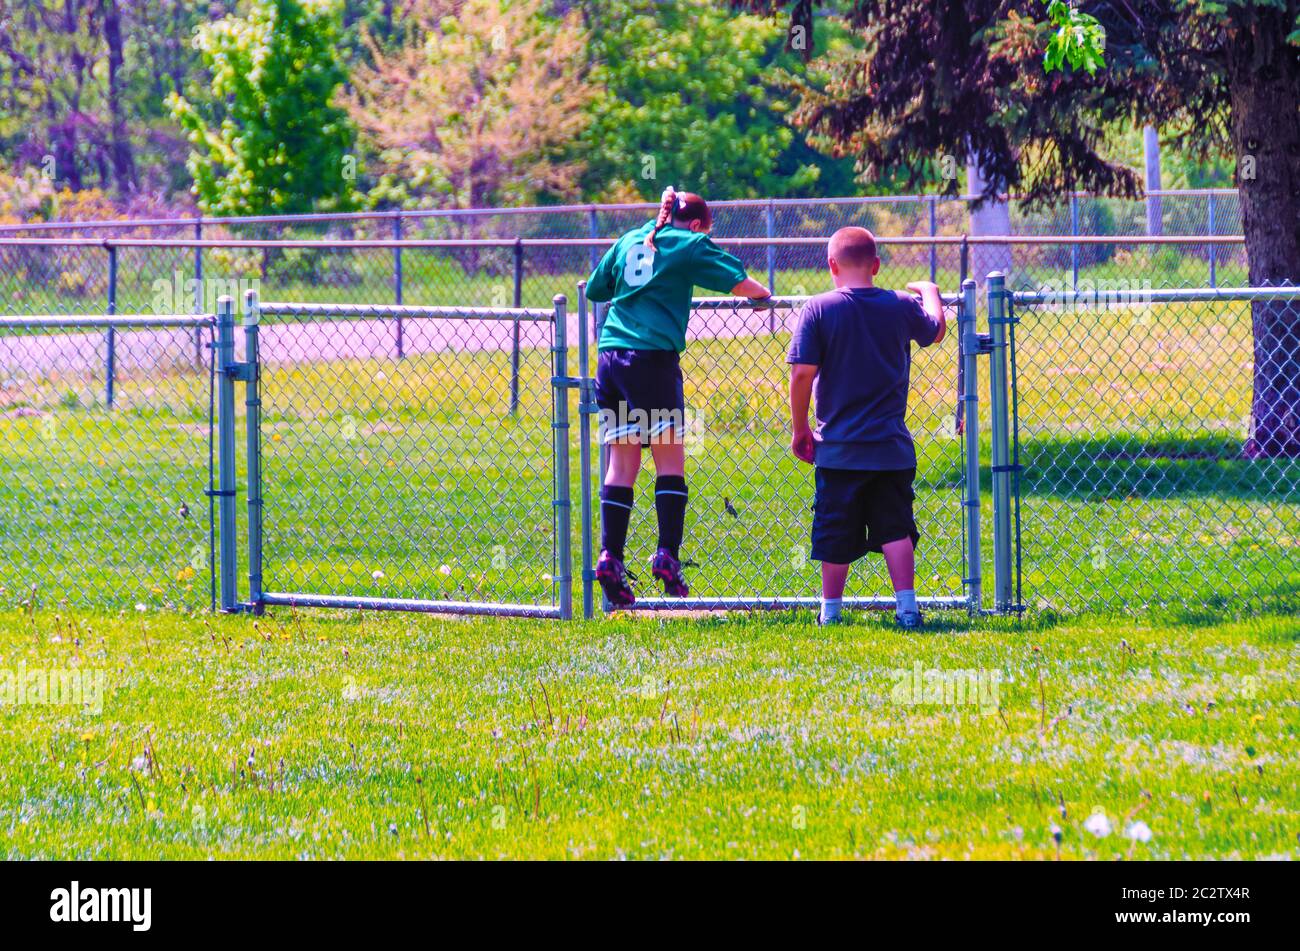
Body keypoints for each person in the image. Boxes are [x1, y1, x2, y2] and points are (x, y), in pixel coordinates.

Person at [586, 186, 772, 607]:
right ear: (695, 225)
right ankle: (667, 554)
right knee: (669, 460)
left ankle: (609, 557)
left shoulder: (629, 239)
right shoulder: (689, 243)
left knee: (623, 461)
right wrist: (764, 298)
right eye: (705, 230)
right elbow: (741, 282)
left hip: (611, 358)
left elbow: (597, 290)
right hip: (652, 360)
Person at [787, 226, 947, 629]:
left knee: (835, 531)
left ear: (831, 266)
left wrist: (800, 428)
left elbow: (803, 374)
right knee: (896, 528)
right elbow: (936, 330)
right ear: (876, 266)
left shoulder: (819, 308)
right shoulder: (898, 305)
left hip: (838, 449)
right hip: (890, 449)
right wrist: (929, 290)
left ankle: (831, 612)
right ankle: (907, 609)